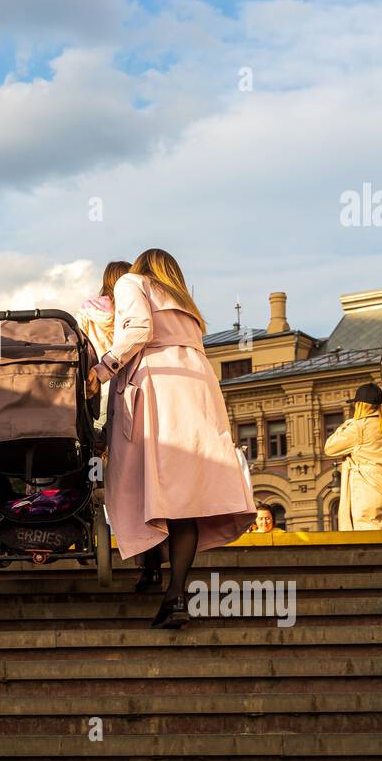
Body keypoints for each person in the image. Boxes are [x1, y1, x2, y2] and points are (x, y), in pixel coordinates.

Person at [89, 249, 256, 627]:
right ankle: (176, 594)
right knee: (184, 500)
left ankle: (153, 571)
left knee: (144, 483)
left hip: (158, 390)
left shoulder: (131, 283)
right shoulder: (187, 307)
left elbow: (137, 330)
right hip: (197, 392)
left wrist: (103, 368)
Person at [324, 384, 382, 530]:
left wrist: (349, 422)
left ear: (359, 405)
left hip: (368, 492)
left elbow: (330, 447)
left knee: (369, 542)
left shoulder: (358, 427)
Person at [76, 261, 131, 441]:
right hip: (125, 382)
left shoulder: (87, 309)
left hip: (95, 381)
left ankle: (98, 468)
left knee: (95, 444)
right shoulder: (130, 310)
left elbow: (78, 345)